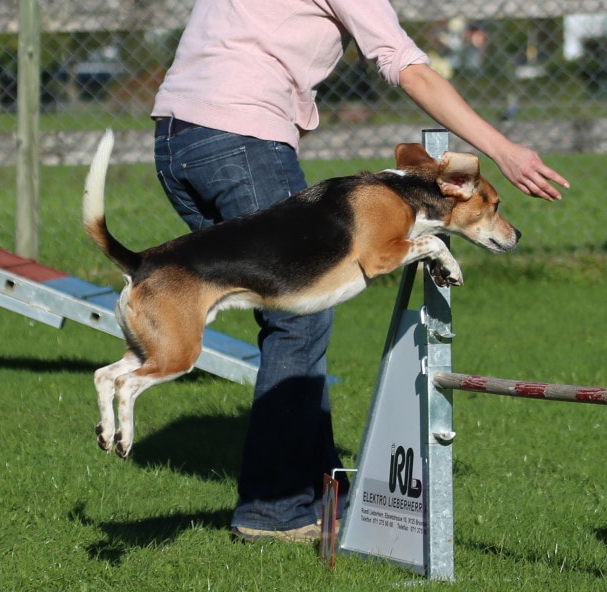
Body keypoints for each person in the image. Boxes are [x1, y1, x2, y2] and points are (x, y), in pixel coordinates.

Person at [151, 0, 569, 544]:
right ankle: (271, 513)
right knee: (299, 320)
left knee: (294, 315)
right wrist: (503, 150)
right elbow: (406, 65)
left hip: (178, 141)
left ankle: (327, 493)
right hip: (242, 138)